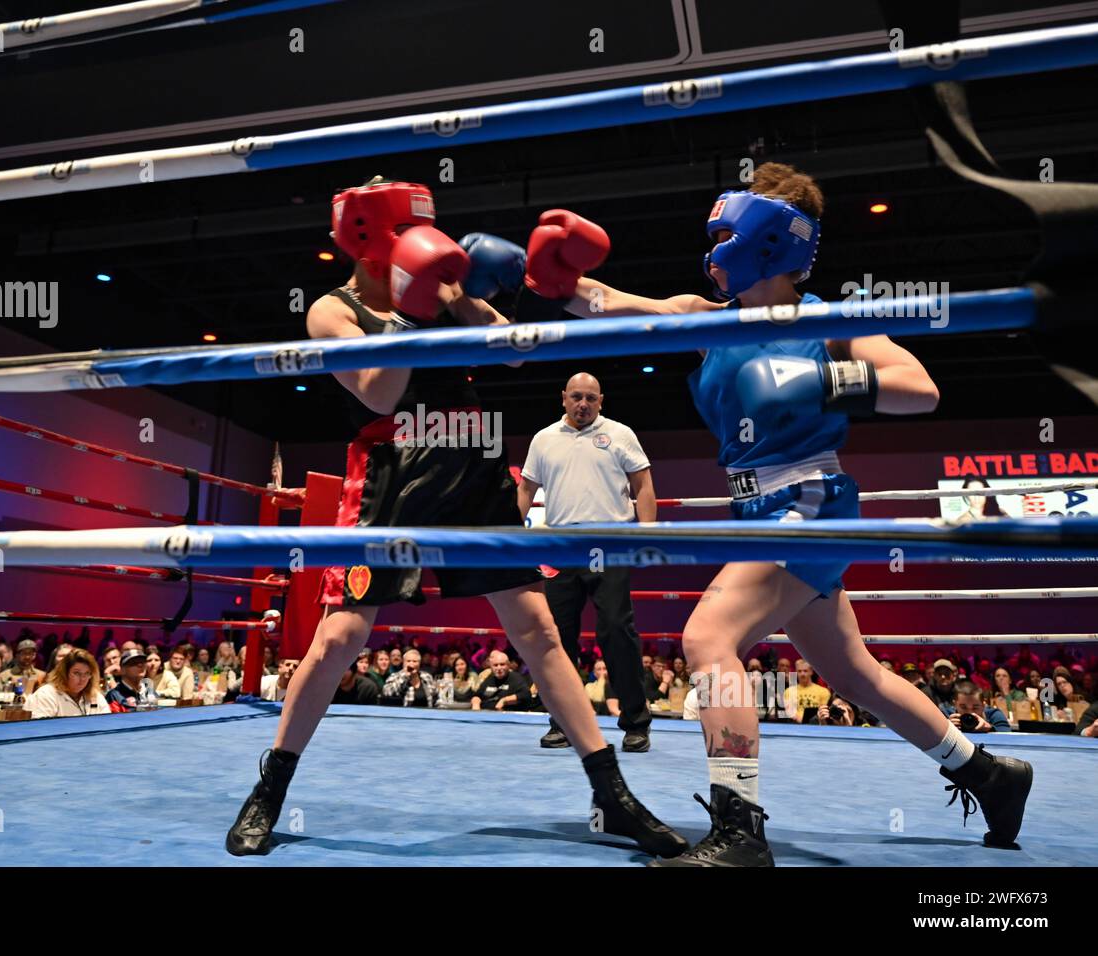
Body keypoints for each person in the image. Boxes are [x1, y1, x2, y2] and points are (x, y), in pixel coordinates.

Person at [521, 162, 1032, 865]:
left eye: (726, 231)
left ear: (769, 241)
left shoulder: (827, 322)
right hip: (757, 507)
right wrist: (557, 281)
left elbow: (921, 388)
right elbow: (612, 303)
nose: (714, 247)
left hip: (811, 500)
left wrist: (824, 377)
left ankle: (740, 831)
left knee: (707, 639)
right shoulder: (706, 321)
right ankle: (987, 772)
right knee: (852, 673)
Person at [226, 178, 684, 860]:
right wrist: (411, 312)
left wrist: (480, 289)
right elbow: (380, 391)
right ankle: (268, 791)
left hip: (471, 456)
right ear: (366, 235)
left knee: (536, 628)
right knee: (339, 639)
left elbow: (514, 343)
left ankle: (611, 796)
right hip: (392, 470)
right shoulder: (332, 310)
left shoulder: (442, 287)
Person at [518, 371, 656, 753]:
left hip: (609, 541)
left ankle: (636, 723)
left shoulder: (620, 434)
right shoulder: (543, 439)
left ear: (601, 400)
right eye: (576, 397)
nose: (583, 404)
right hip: (562, 543)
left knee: (616, 629)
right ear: (563, 398)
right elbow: (526, 489)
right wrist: (514, 540)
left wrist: (648, 536)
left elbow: (643, 486)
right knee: (557, 637)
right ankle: (562, 722)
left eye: (590, 398)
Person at [28, 648, 110, 718]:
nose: (82, 678)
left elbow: (107, 725)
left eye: (87, 673)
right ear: (64, 673)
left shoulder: (95, 696)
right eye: (77, 673)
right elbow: (40, 730)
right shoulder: (46, 694)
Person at [942, 680, 1010, 733]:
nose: (970, 712)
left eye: (975, 707)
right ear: (955, 704)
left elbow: (1008, 735)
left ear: (984, 705)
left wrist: (990, 728)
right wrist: (946, 727)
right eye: (963, 707)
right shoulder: (946, 714)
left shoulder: (993, 714)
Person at [785, 659, 831, 723]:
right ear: (796, 672)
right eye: (799, 671)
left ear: (811, 672)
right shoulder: (789, 691)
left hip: (817, 726)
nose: (802, 674)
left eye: (805, 671)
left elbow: (823, 712)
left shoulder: (823, 691)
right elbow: (790, 712)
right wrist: (804, 722)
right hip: (796, 726)